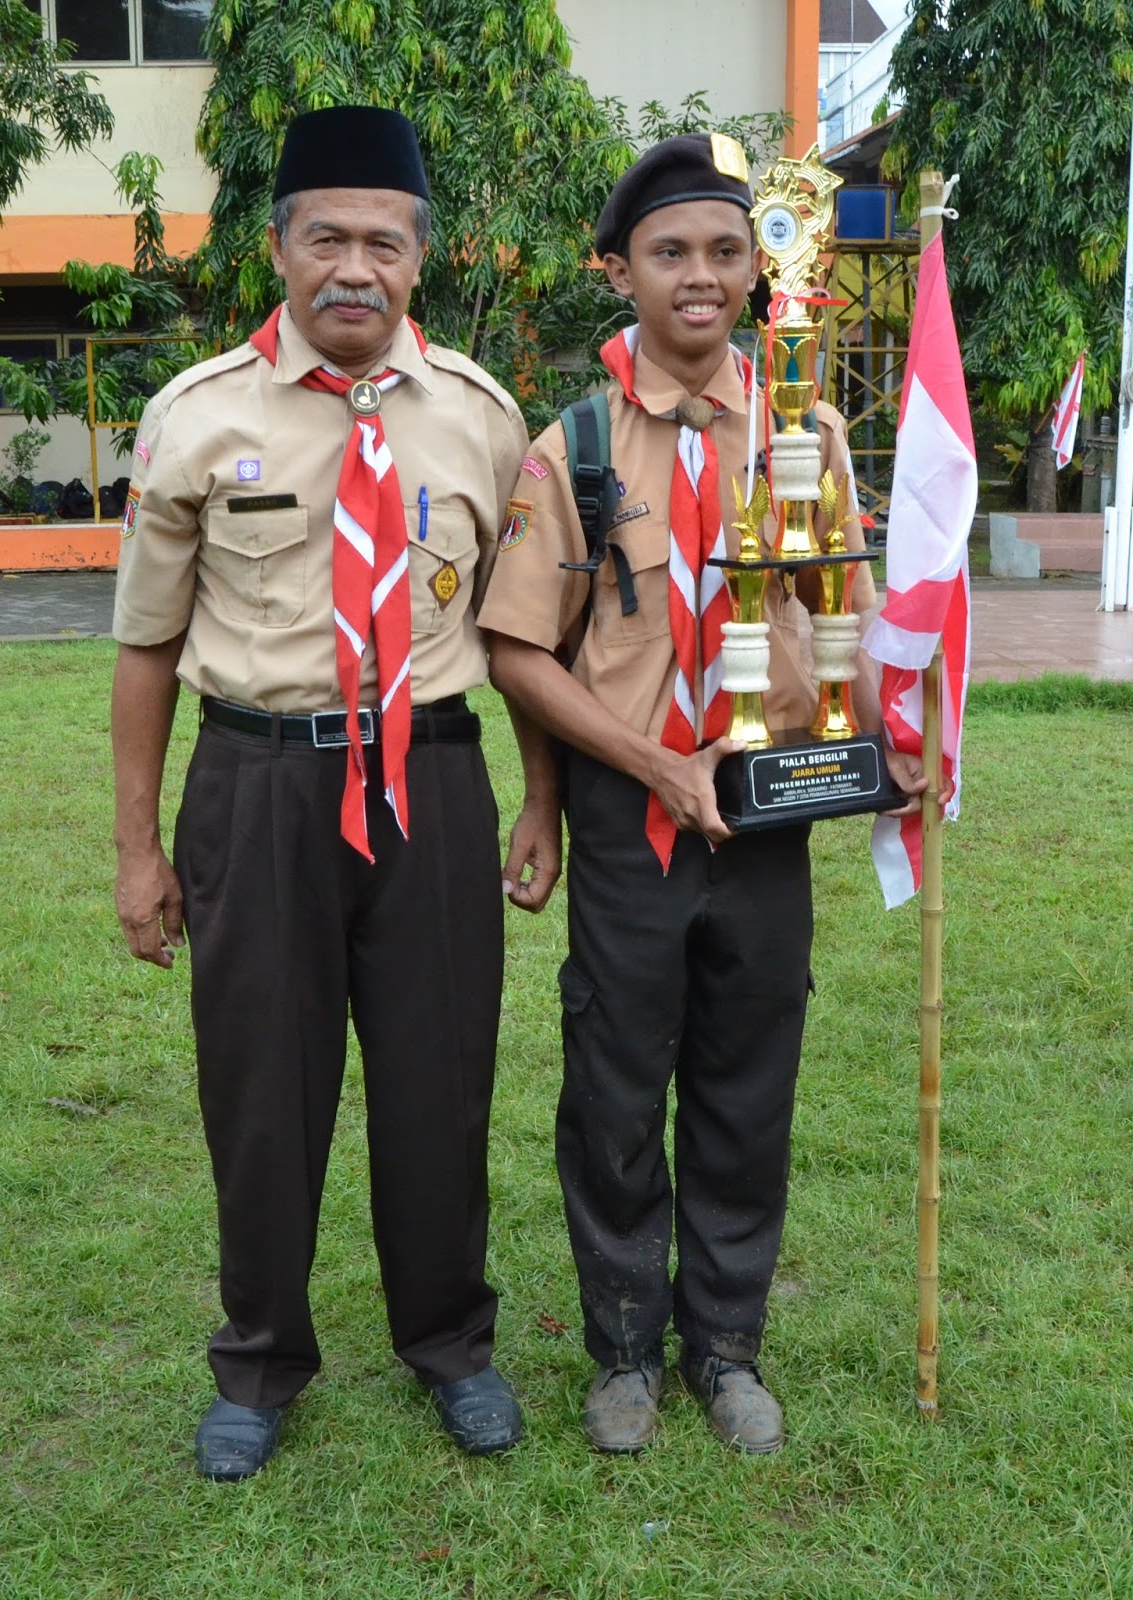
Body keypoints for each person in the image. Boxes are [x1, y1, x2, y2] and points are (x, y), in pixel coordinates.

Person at [110, 106, 559, 1481]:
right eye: (326, 238)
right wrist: (137, 849)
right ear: (279, 249)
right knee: (262, 1090)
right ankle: (259, 1360)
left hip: (430, 778)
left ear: (419, 258)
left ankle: (450, 1343)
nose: (352, 266)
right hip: (255, 782)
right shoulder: (197, 417)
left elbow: (524, 631)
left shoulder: (486, 421)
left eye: (382, 239)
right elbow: (143, 649)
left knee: (439, 1081)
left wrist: (538, 801)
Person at [479, 133, 931, 1455]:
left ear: (759, 271)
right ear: (619, 270)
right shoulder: (570, 447)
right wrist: (601, 786)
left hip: (772, 803)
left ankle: (725, 1349)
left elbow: (838, 602)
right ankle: (622, 1351)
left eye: (726, 252)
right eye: (670, 251)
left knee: (748, 1078)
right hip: (639, 810)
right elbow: (518, 649)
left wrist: (887, 738)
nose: (701, 276)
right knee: (616, 1088)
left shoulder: (809, 424)